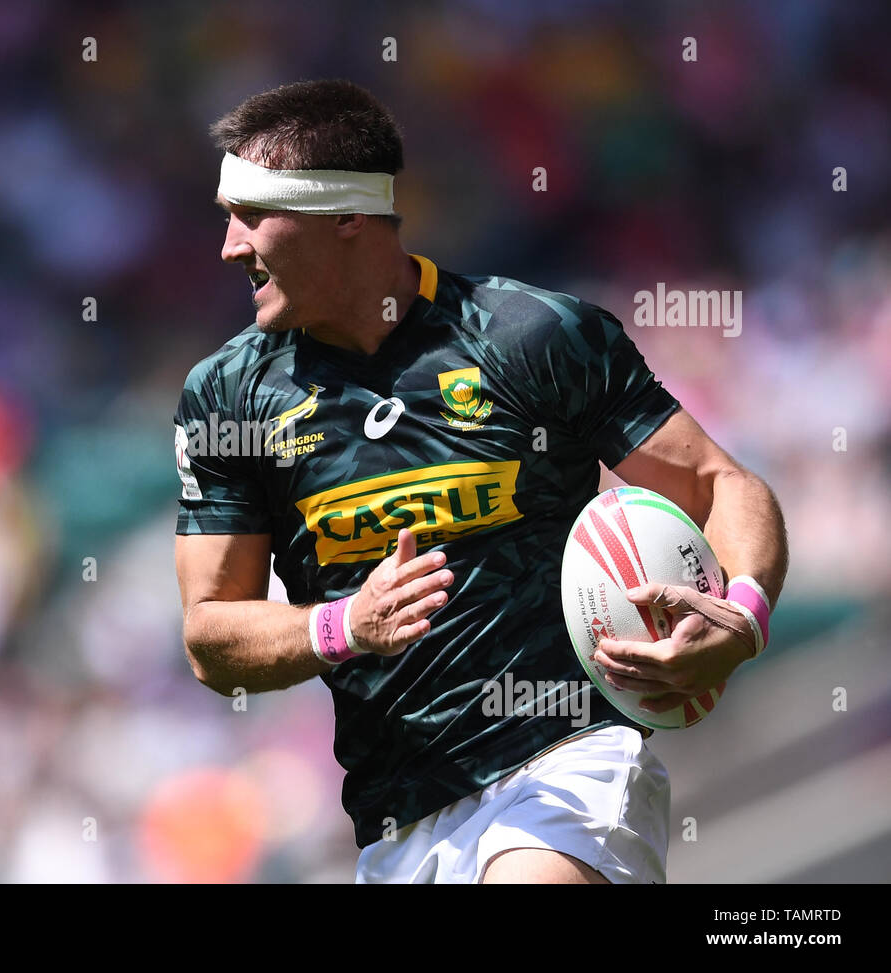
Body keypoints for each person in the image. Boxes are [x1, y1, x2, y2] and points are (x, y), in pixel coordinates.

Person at [172, 79, 787, 884]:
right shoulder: (227, 396)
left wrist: (741, 617)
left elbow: (722, 485)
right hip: (399, 821)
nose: (229, 246)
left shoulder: (532, 336)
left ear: (348, 216)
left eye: (250, 215)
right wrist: (343, 625)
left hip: (565, 762)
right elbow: (210, 635)